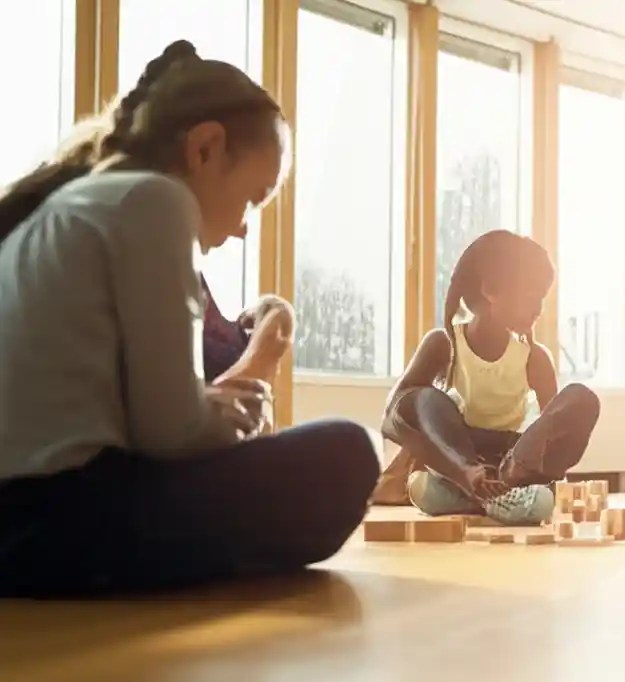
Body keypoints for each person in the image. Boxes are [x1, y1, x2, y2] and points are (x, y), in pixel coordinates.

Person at [0, 41, 378, 597]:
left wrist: (213, 407)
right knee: (348, 453)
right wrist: (235, 410)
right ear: (206, 148)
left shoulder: (69, 207)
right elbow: (169, 432)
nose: (247, 226)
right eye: (254, 197)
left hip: (26, 514)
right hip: (56, 522)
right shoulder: (154, 201)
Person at [374, 230, 600, 525]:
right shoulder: (444, 344)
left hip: (511, 461)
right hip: (460, 462)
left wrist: (528, 466)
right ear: (491, 290)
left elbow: (554, 436)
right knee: (423, 405)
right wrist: (461, 468)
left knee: (581, 399)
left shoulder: (535, 358)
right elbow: (393, 417)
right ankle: (484, 493)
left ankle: (497, 490)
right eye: (531, 296)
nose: (539, 309)